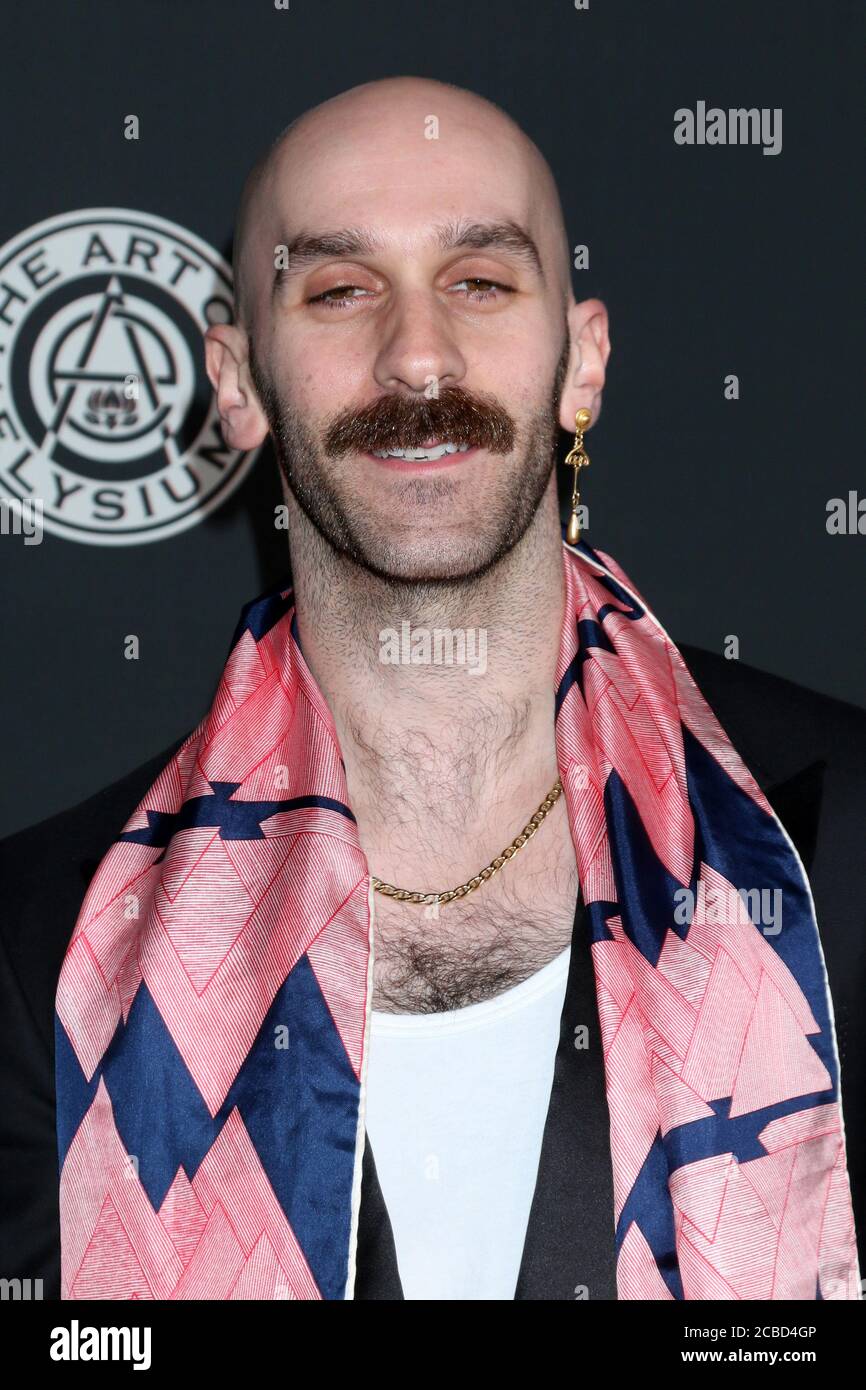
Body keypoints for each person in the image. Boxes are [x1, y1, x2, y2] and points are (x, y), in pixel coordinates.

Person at [1, 76, 862, 1302]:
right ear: (238, 386)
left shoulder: (836, 854)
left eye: (480, 281)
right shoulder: (47, 943)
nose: (416, 354)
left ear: (584, 362)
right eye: (340, 291)